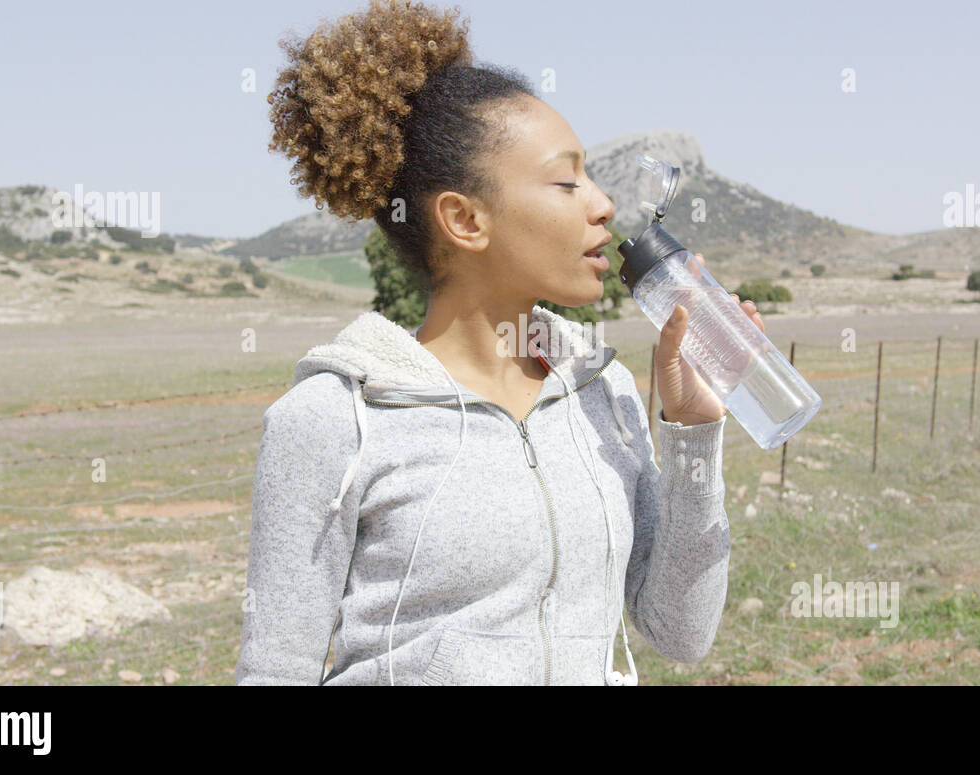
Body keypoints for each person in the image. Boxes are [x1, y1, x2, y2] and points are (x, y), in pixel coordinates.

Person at [234, 0, 768, 686]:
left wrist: (692, 429)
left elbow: (681, 630)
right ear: (465, 219)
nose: (602, 204)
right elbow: (275, 672)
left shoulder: (601, 394)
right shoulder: (335, 419)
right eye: (567, 179)